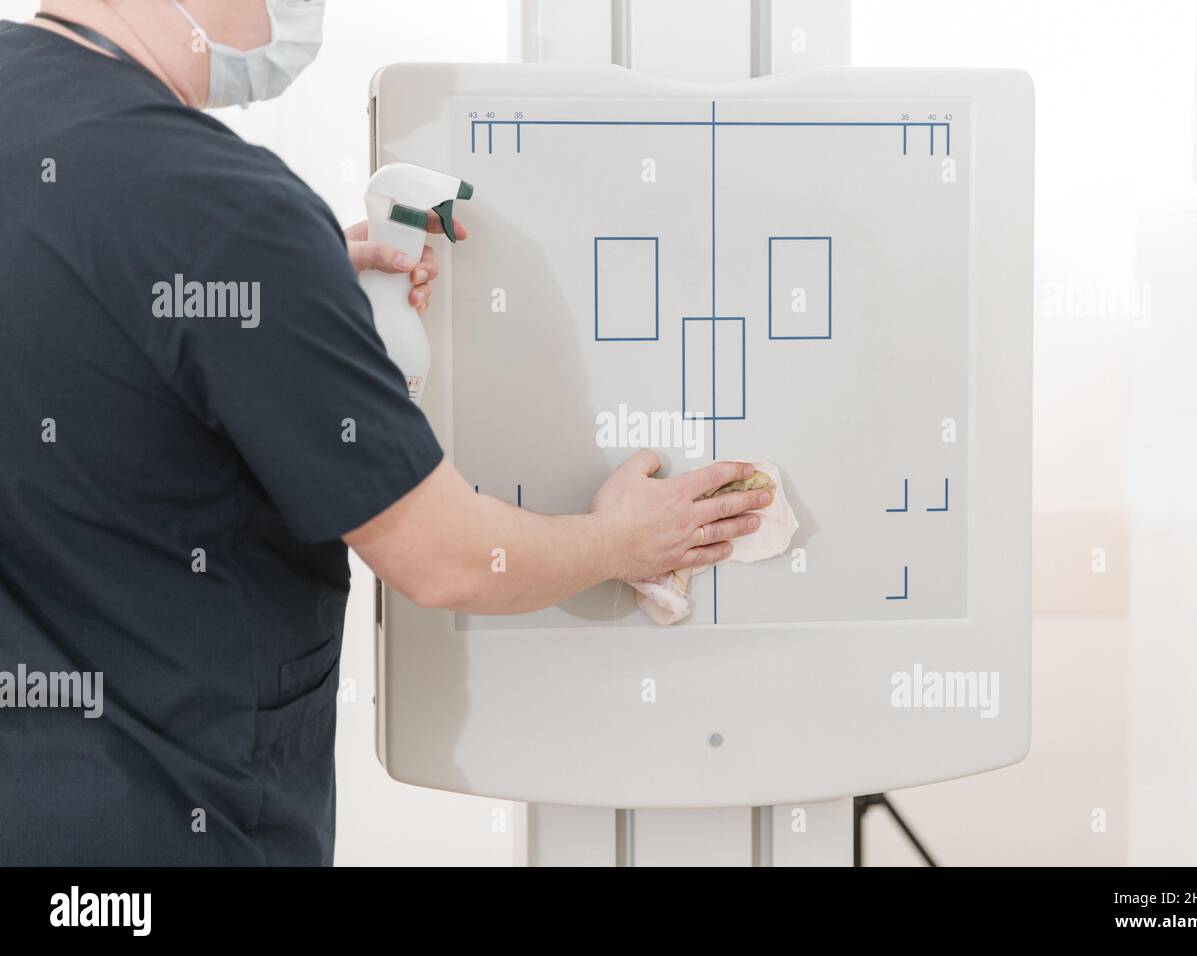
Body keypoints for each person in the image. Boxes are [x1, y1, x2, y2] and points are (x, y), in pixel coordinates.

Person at [0, 0, 769, 865]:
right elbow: (445, 559)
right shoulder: (223, 211)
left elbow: (80, 321)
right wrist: (623, 541)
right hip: (154, 826)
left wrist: (277, 297)